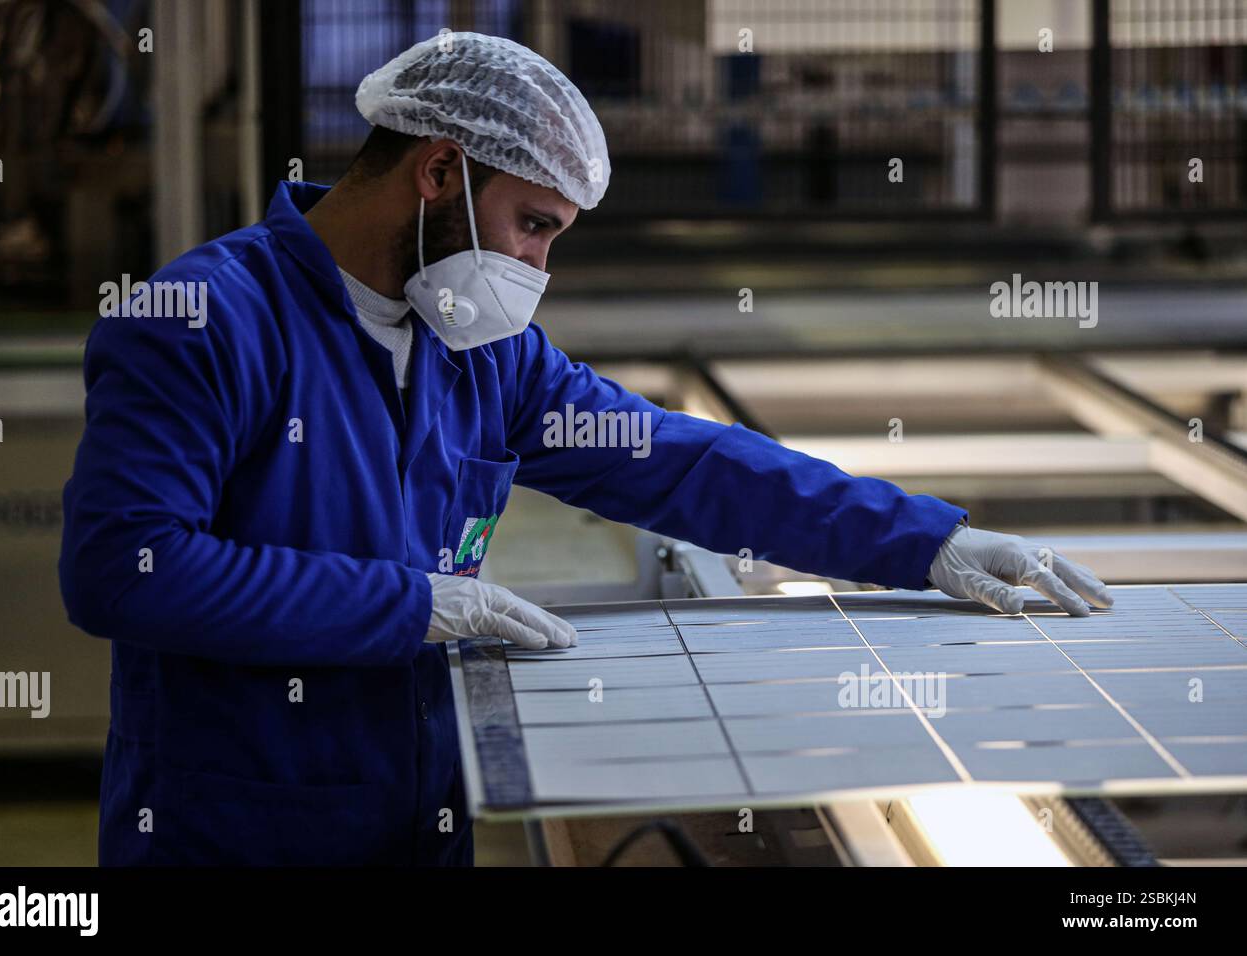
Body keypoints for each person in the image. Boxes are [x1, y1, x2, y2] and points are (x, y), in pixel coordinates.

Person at [59, 32, 1112, 866]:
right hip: (233, 831)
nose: (537, 264)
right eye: (532, 225)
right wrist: (412, 602)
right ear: (437, 171)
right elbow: (123, 567)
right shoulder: (202, 321)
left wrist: (924, 539)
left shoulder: (480, 354)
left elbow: (677, 458)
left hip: (417, 815)